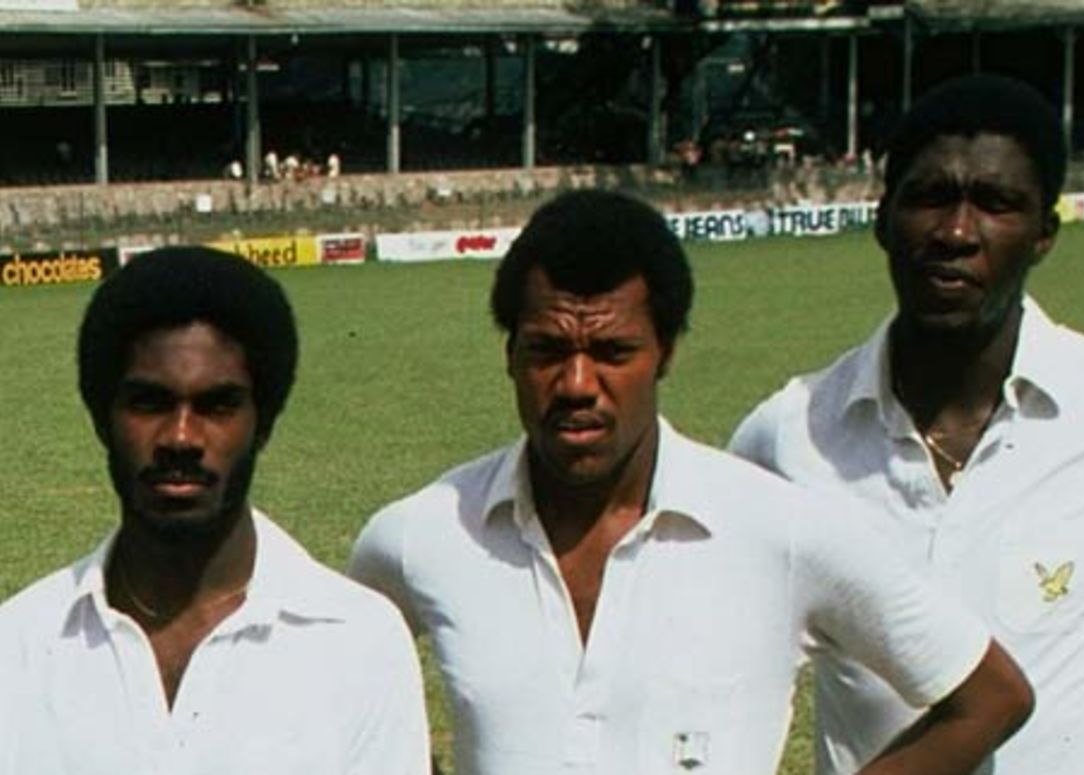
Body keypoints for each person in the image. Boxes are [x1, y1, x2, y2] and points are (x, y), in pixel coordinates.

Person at [351, 189, 1034, 775]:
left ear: (666, 352)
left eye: (614, 351)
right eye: (548, 350)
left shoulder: (779, 529)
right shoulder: (421, 535)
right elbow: (339, 690)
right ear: (510, 354)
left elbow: (990, 693)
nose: (578, 384)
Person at [729, 74, 1084, 775]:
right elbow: (712, 666)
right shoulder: (787, 436)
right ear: (883, 218)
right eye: (930, 197)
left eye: (996, 203)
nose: (956, 232)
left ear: (1044, 233)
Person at [0, 246, 430, 774]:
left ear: (263, 423)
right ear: (100, 418)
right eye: (149, 402)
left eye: (217, 406)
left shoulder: (359, 641)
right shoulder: (18, 644)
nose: (181, 437)